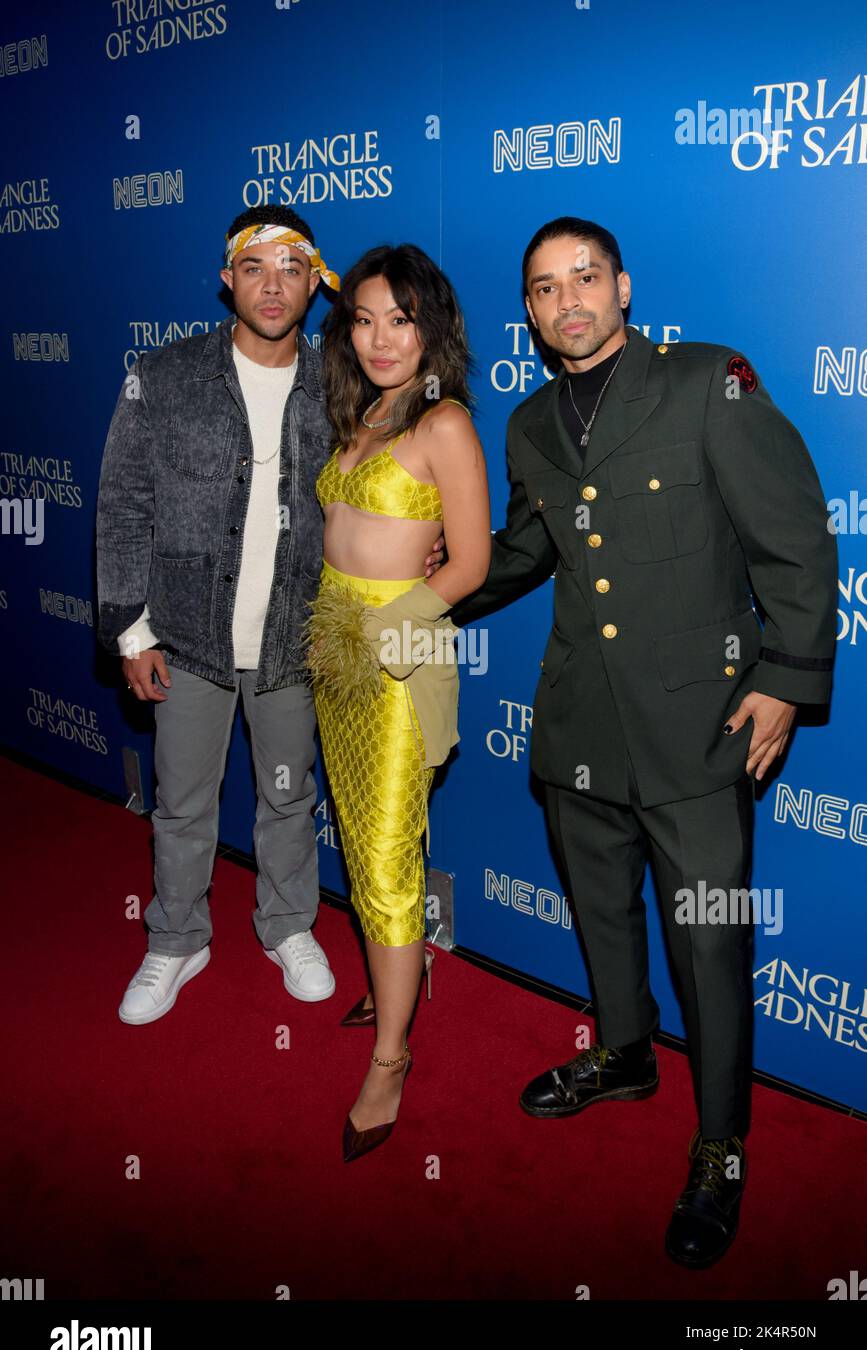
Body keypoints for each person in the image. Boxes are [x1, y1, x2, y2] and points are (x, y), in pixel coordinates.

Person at [450, 217, 837, 1266]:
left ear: (623, 286)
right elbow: (525, 550)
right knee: (603, 914)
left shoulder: (710, 382)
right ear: (527, 311)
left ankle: (722, 1143)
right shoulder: (529, 423)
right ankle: (623, 1052)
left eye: (585, 277)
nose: (568, 300)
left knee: (708, 944)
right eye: (544, 288)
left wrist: (788, 683)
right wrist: (410, 590)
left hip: (702, 728)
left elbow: (795, 539)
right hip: (580, 720)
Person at [96, 206, 442, 1026]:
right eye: (255, 267)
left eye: (291, 267)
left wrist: (416, 549)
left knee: (289, 796)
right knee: (183, 802)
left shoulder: (343, 381)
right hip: (185, 635)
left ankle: (287, 924)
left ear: (314, 283)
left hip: (298, 636)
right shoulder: (166, 373)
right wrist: (130, 629)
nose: (273, 284)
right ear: (228, 280)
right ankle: (177, 938)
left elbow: (387, 483)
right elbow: (121, 501)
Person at [306, 244, 490, 1162]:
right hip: (333, 646)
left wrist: (389, 625)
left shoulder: (443, 422)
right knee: (360, 831)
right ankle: (393, 976)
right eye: (364, 319)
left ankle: (390, 1058)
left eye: (401, 320)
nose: (380, 339)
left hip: (397, 655)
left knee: (384, 854)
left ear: (432, 327)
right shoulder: (367, 409)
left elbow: (469, 562)